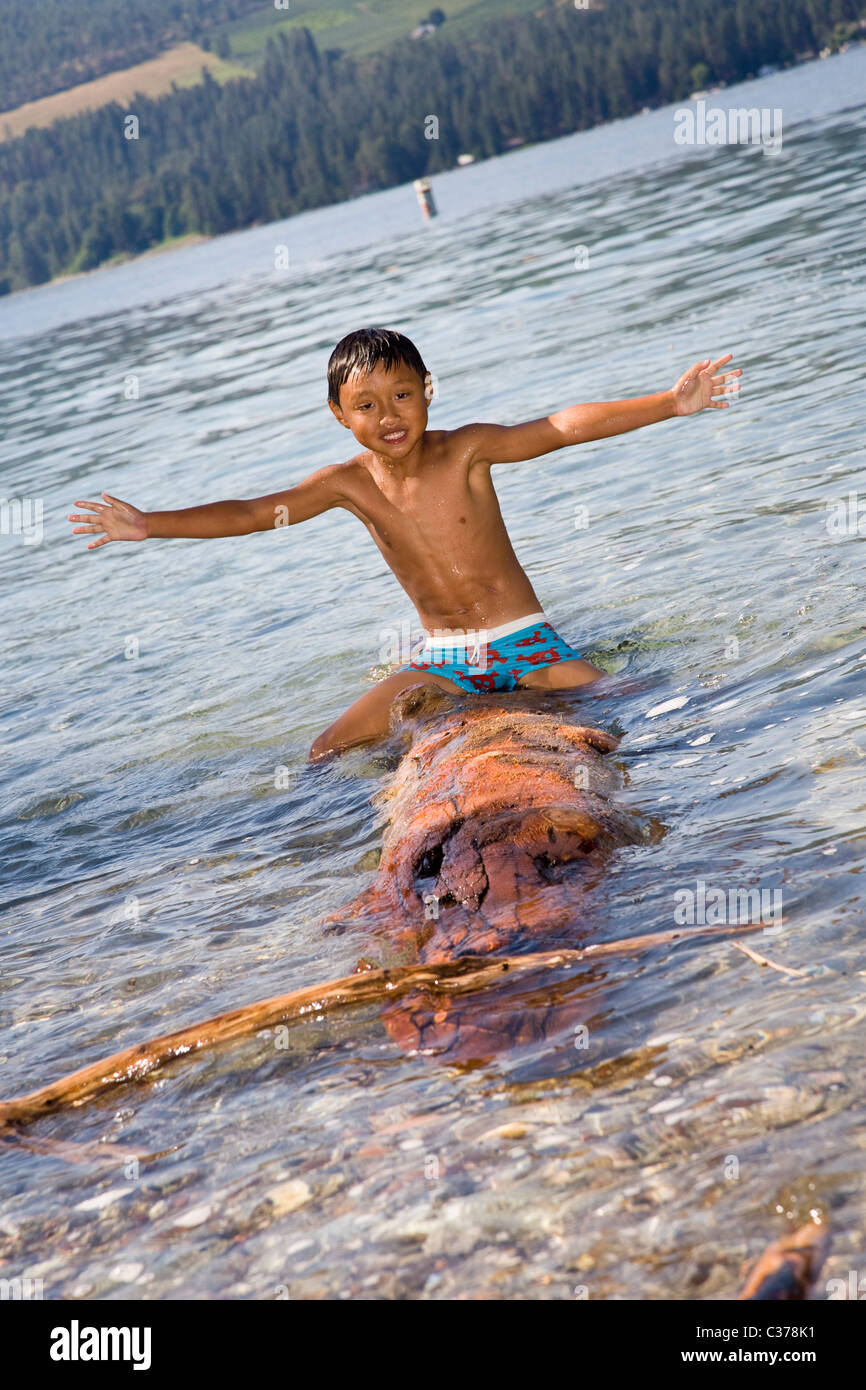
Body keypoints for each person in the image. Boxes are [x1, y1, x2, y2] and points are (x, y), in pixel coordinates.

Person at [68, 326, 741, 759]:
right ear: (340, 416)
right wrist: (151, 524)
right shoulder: (346, 485)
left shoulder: (469, 451)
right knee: (326, 750)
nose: (389, 416)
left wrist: (669, 402)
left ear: (427, 392)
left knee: (643, 705)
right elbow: (250, 512)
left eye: (402, 395)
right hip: (444, 662)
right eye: (367, 406)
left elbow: (561, 426)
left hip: (528, 644)